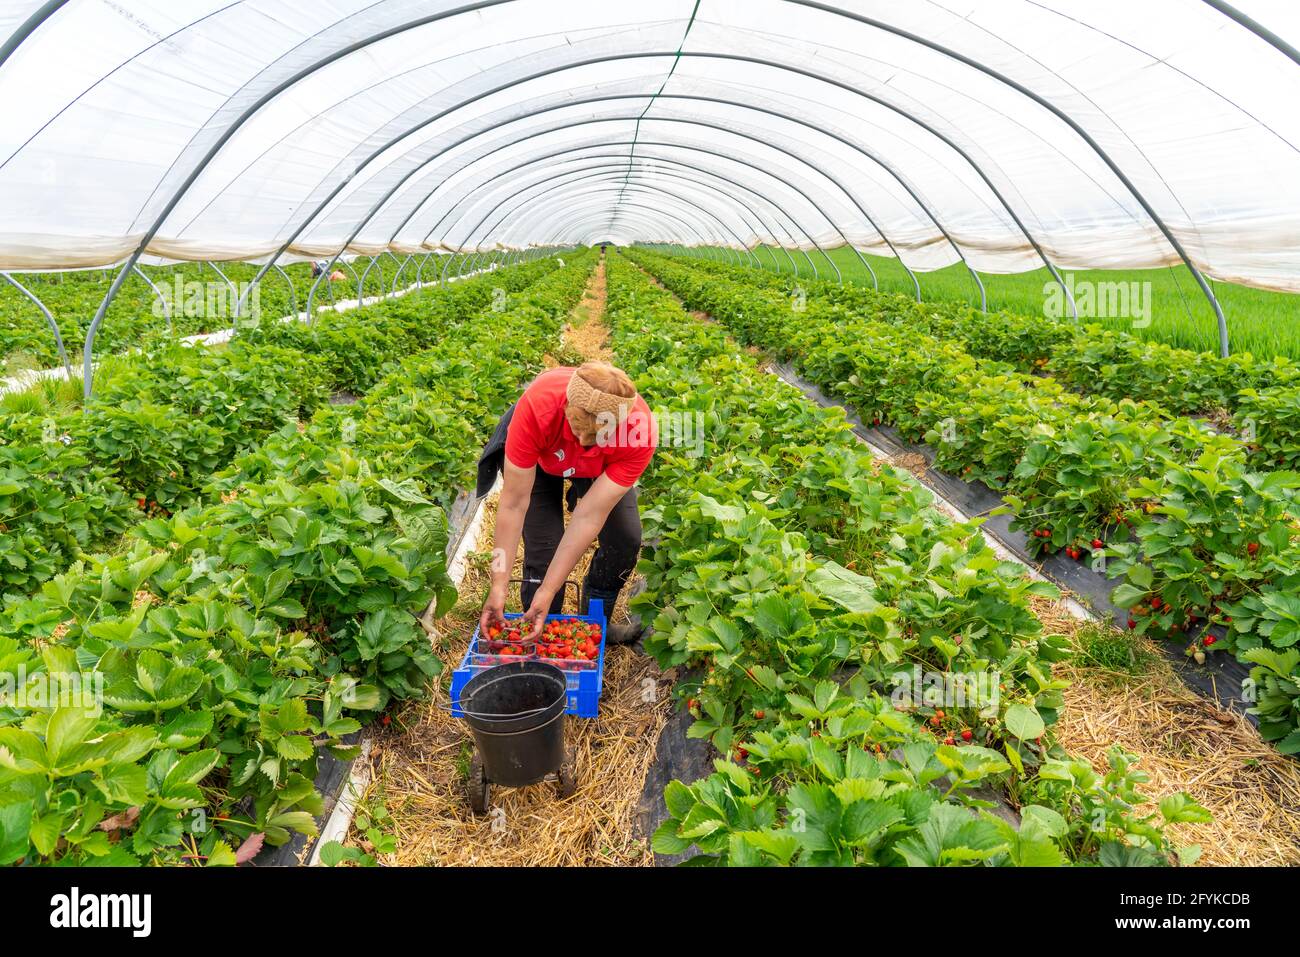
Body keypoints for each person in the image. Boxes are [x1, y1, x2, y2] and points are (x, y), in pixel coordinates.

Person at [476, 361, 656, 644]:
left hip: (599, 466)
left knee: (625, 539)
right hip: (540, 459)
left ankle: (596, 623)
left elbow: (588, 516)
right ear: (566, 405)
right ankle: (541, 629)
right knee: (544, 550)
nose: (582, 440)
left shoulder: (639, 434)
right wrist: (498, 585)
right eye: (577, 426)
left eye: (595, 434)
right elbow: (513, 504)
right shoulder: (538, 407)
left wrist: (548, 590)